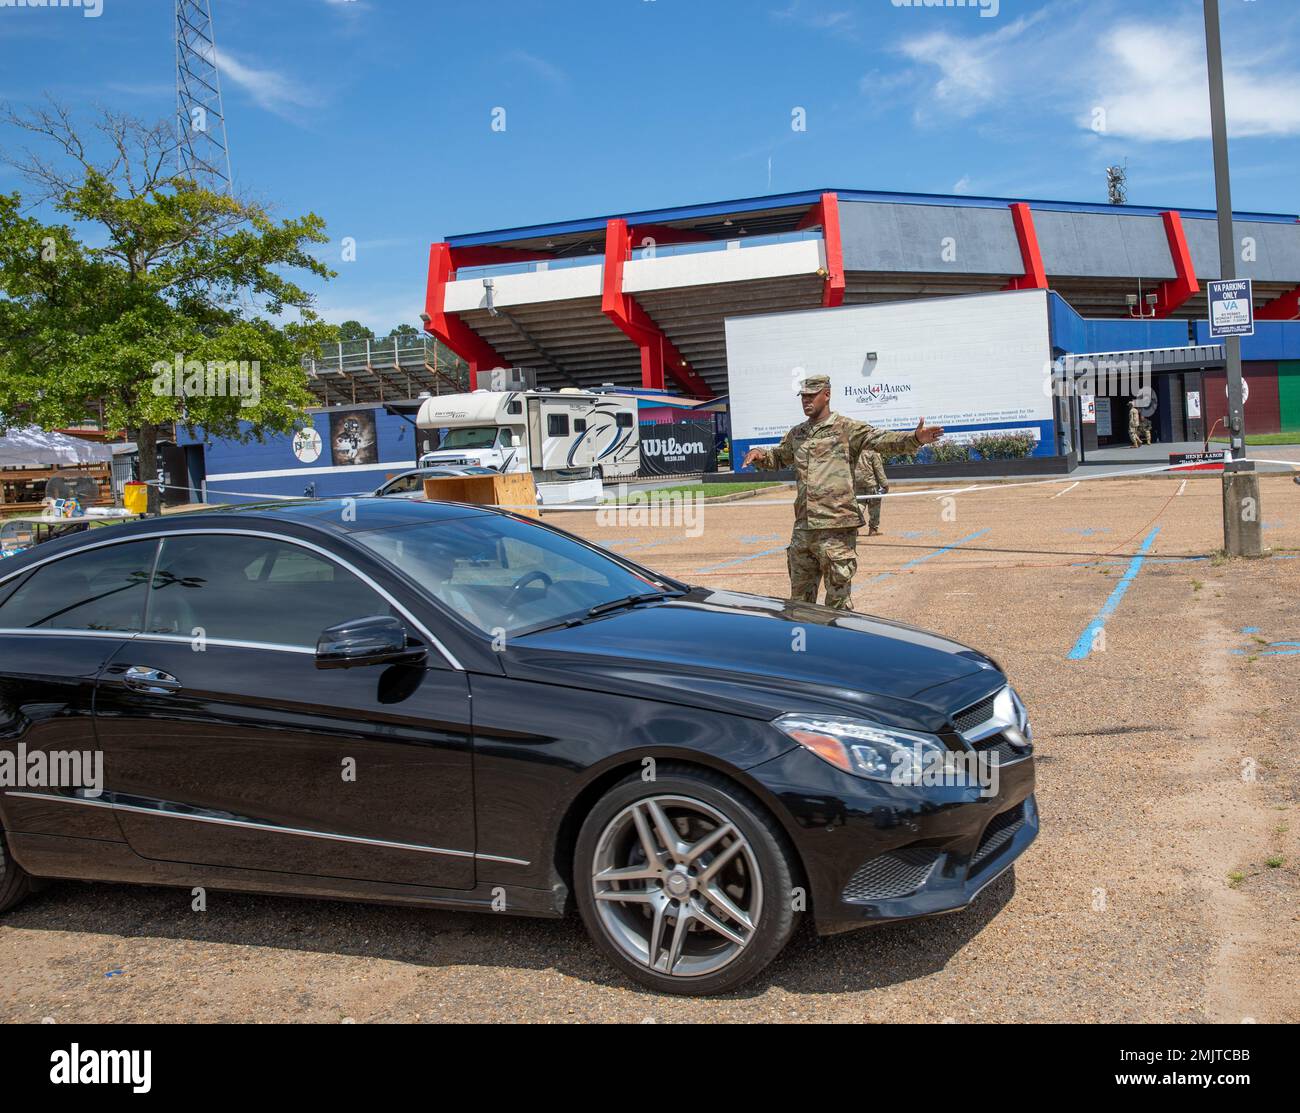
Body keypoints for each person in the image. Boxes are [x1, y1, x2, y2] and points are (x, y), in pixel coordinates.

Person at [743, 374, 944, 609]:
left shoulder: (847, 428)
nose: (806, 401)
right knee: (799, 603)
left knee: (838, 604)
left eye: (812, 395)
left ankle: (836, 643)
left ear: (826, 395)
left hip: (836, 529)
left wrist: (914, 438)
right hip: (804, 528)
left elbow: (882, 440)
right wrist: (759, 454)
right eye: (803, 396)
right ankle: (806, 644)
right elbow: (779, 457)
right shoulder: (797, 434)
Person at [854, 448, 888, 536]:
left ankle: (854, 528)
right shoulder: (872, 451)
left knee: (859, 505)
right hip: (871, 483)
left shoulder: (854, 449)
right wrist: (884, 484)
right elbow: (878, 469)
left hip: (856, 483)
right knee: (874, 506)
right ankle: (873, 529)